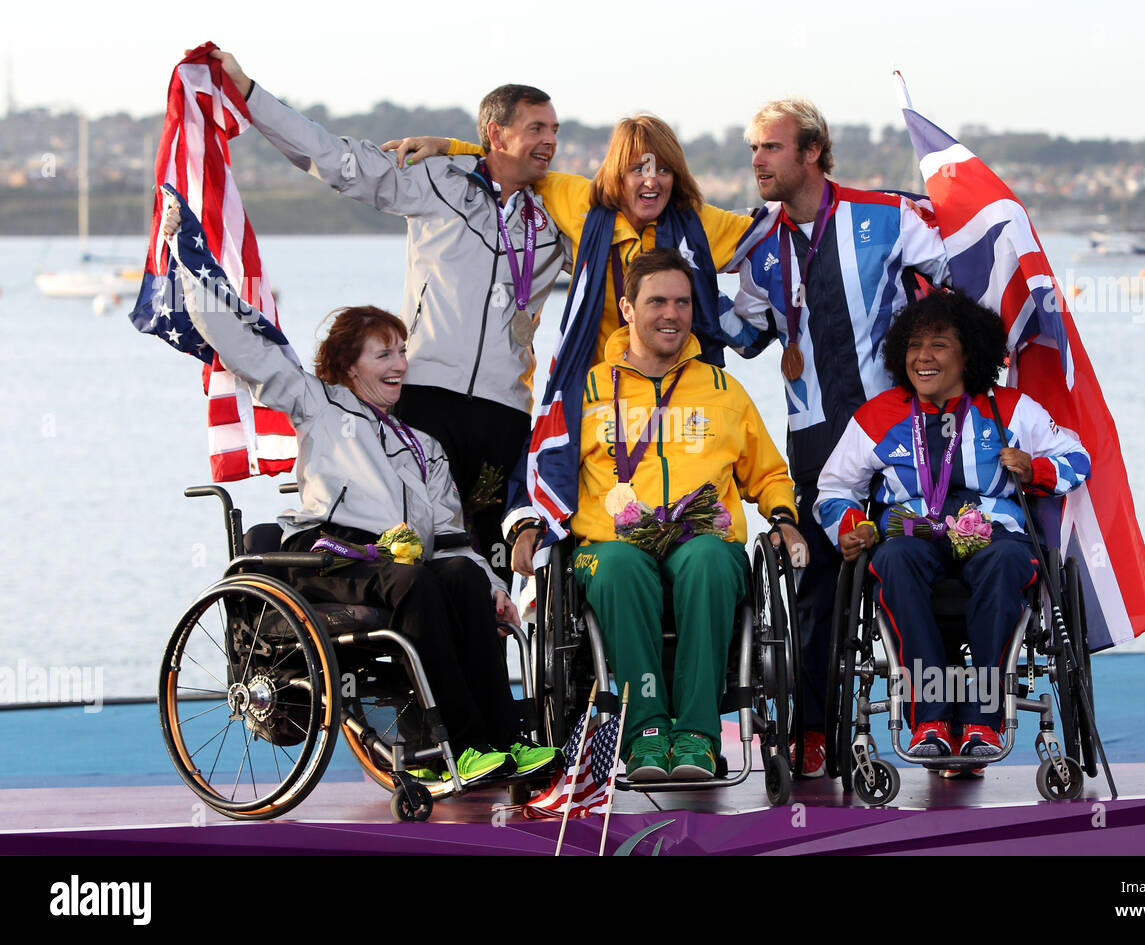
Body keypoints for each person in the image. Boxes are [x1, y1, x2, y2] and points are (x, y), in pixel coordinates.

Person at [161, 197, 560, 786]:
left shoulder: (425, 446)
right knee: (419, 581)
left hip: (404, 565)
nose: (400, 362)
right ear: (350, 367)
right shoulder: (318, 404)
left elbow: (452, 537)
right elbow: (248, 350)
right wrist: (185, 264)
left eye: (402, 350)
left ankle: (505, 740)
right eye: (385, 353)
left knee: (461, 579)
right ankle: (460, 742)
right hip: (330, 556)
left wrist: (496, 587)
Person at [214, 52, 567, 588]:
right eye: (536, 128)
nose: (550, 141)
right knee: (416, 557)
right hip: (427, 399)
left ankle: (487, 670)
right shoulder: (436, 182)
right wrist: (249, 91)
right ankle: (416, 665)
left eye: (555, 130)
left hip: (505, 414)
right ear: (496, 133)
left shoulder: (556, 218)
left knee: (490, 569)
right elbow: (335, 158)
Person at [506, 249, 805, 780]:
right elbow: (538, 470)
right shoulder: (584, 392)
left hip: (703, 544)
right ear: (626, 308)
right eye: (657, 301)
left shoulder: (723, 390)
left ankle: (696, 737)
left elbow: (769, 475)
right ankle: (644, 733)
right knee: (620, 566)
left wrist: (783, 519)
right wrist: (527, 527)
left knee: (710, 561)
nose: (672, 313)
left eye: (683, 303)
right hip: (611, 550)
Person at [721, 97, 951, 775]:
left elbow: (953, 282)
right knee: (820, 585)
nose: (757, 160)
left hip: (899, 427)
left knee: (923, 562)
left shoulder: (885, 216)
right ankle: (815, 728)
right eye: (753, 149)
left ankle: (947, 718)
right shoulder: (760, 244)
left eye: (770, 147)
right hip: (815, 435)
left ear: (812, 152)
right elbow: (747, 336)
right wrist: (694, 296)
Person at [814, 290, 1090, 768]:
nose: (923, 357)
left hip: (993, 533)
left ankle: (984, 718)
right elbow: (834, 489)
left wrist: (1034, 468)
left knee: (1006, 561)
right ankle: (931, 719)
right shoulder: (881, 415)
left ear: (969, 355)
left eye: (939, 345)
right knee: (894, 559)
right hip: (912, 535)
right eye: (915, 345)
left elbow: (1078, 459)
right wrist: (851, 526)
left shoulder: (1009, 409)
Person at [385, 113, 754, 369]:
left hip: (682, 387)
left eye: (663, 169)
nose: (651, 181)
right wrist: (448, 146)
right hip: (600, 388)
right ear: (616, 172)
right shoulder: (580, 200)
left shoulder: (699, 220)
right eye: (637, 169)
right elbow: (510, 161)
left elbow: (773, 234)